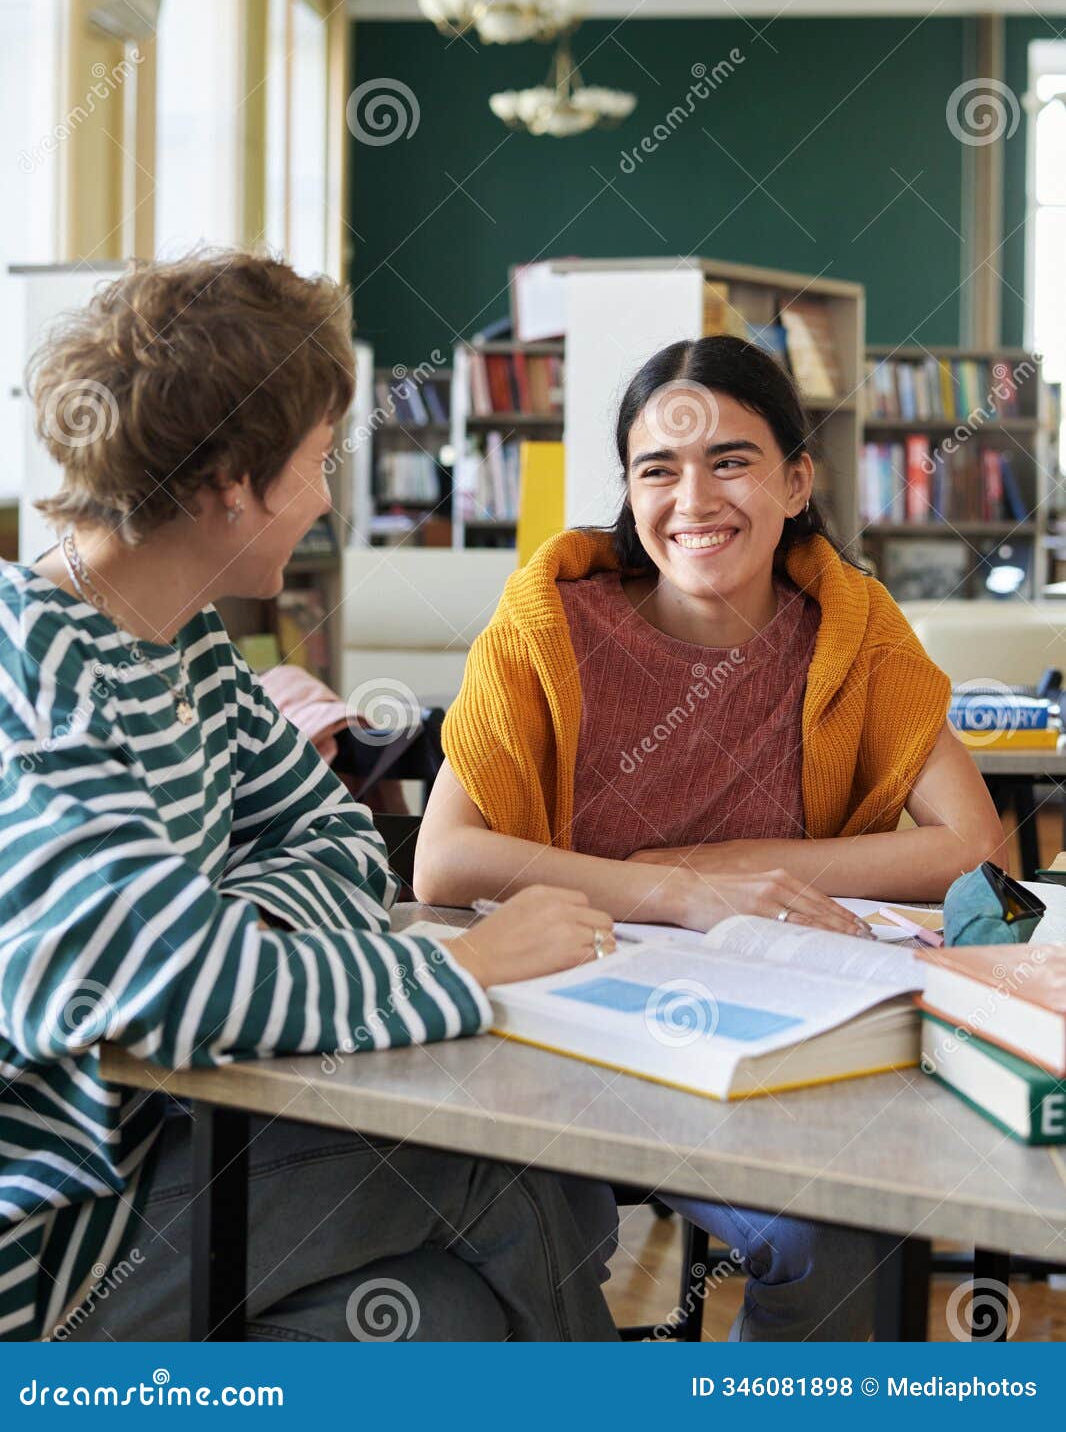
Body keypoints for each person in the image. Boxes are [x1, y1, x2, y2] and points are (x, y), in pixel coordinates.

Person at [0, 252, 619, 1343]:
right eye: (319, 461)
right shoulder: (37, 673)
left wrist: (240, 931)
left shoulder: (178, 638)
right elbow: (184, 983)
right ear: (234, 480)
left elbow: (332, 832)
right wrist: (462, 960)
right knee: (516, 1163)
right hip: (60, 1245)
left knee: (448, 1318)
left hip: (178, 1141)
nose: (328, 497)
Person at [414, 332, 1007, 1341]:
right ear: (630, 491)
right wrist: (676, 891)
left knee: (842, 1223)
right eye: (658, 469)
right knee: (537, 1227)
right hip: (558, 1032)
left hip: (768, 1048)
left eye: (729, 461)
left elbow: (972, 845)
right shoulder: (543, 625)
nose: (692, 501)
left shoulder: (852, 627)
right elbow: (445, 859)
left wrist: (745, 869)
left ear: (795, 479)